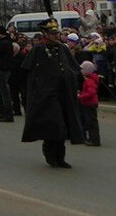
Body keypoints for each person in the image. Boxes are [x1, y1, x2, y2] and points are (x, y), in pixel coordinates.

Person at [21, 17, 84, 168]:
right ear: (45, 34)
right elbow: (26, 71)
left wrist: (80, 83)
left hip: (64, 93)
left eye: (57, 33)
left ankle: (60, 157)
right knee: (56, 124)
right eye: (53, 33)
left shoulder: (62, 48)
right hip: (47, 95)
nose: (57, 36)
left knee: (64, 124)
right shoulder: (38, 49)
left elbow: (73, 67)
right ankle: (50, 153)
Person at [79, 60, 101, 146]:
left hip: (90, 103)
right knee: (90, 121)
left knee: (91, 122)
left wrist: (81, 96)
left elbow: (91, 92)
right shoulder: (89, 79)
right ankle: (91, 138)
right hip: (88, 103)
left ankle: (94, 140)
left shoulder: (89, 80)